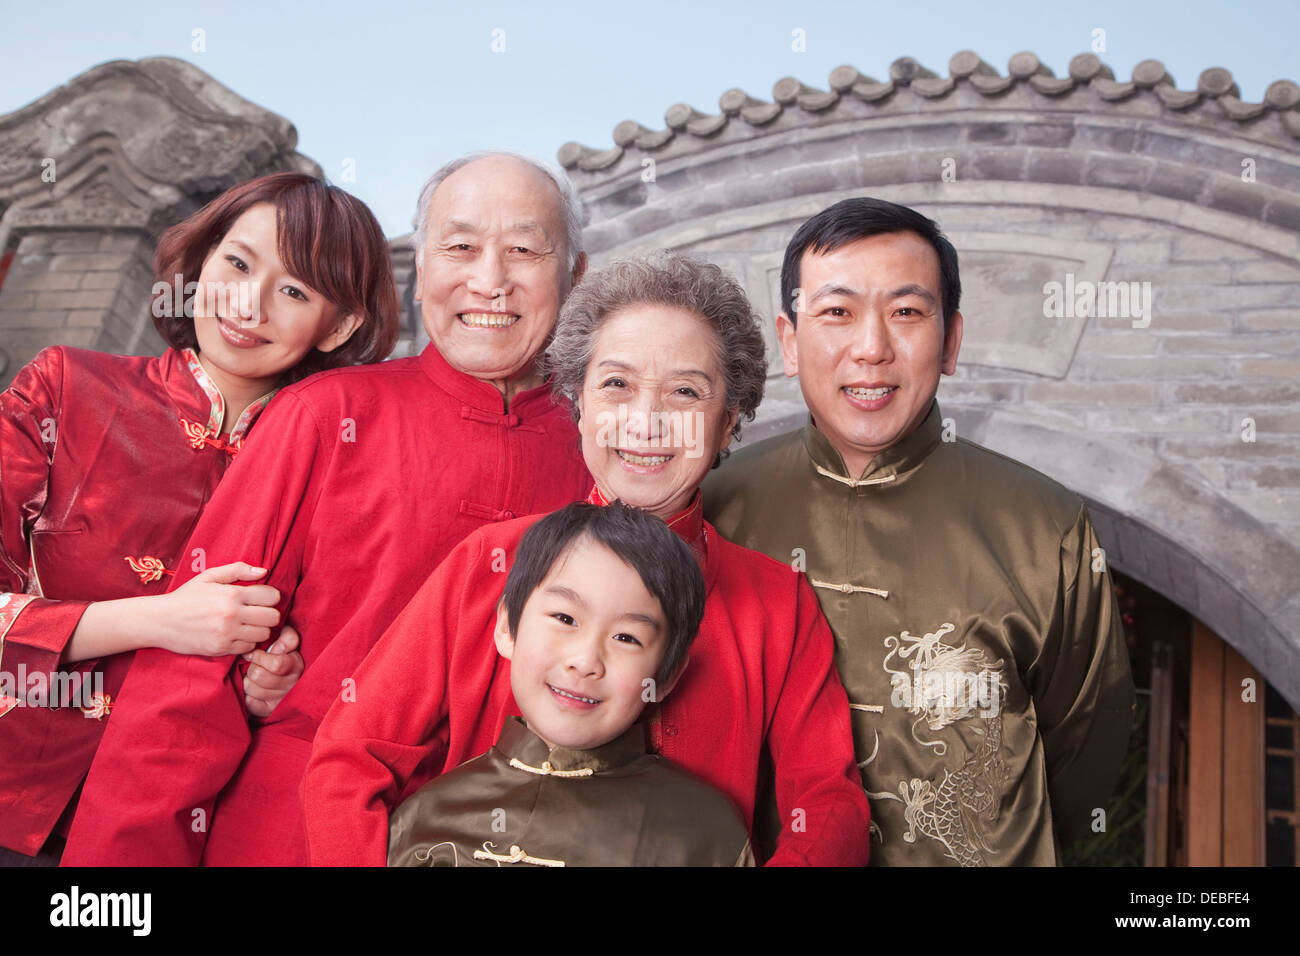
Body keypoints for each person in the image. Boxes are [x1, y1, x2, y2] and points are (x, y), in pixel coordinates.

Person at [63, 153, 594, 866]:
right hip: (284, 832)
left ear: (575, 274)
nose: (488, 279)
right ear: (422, 267)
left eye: (524, 250)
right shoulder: (325, 413)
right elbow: (185, 688)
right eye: (460, 247)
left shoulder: (599, 452)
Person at [303, 254, 870, 867]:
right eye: (616, 384)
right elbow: (348, 763)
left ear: (727, 421)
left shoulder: (776, 601)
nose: (645, 422)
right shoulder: (491, 563)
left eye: (685, 392)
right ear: (577, 404)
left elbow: (829, 803)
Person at [703, 197, 1136, 866]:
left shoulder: (1043, 525)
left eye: (907, 313)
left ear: (952, 339)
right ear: (790, 341)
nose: (872, 348)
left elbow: (1083, 750)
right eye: (837, 313)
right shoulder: (717, 507)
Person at [0, 171, 399, 864]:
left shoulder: (336, 464)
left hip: (175, 826)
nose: (249, 304)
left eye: (295, 291)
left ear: (340, 326)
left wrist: (273, 686)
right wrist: (159, 621)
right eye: (238, 263)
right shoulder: (65, 386)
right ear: (202, 259)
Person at [388, 501, 753, 867]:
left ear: (666, 675)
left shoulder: (705, 834)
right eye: (565, 617)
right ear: (506, 627)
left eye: (626, 638)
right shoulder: (425, 819)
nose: (585, 662)